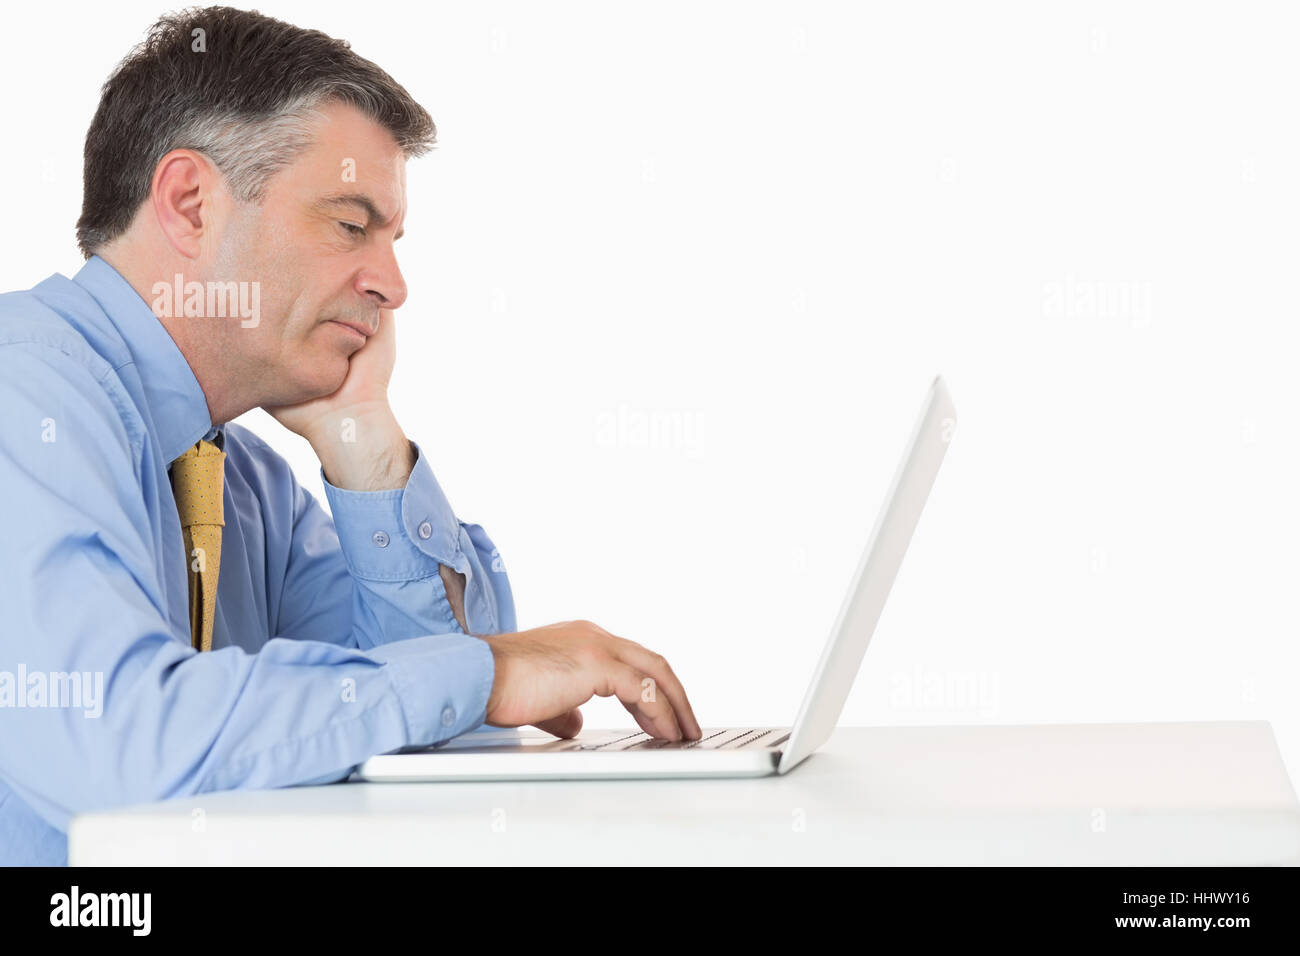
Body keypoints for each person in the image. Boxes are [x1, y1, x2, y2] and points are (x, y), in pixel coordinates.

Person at [0, 5, 700, 866]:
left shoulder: (243, 482)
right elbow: (113, 745)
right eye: (349, 224)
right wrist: (489, 672)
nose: (393, 284)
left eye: (393, 237)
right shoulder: (21, 388)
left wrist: (365, 446)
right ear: (189, 204)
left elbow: (430, 736)